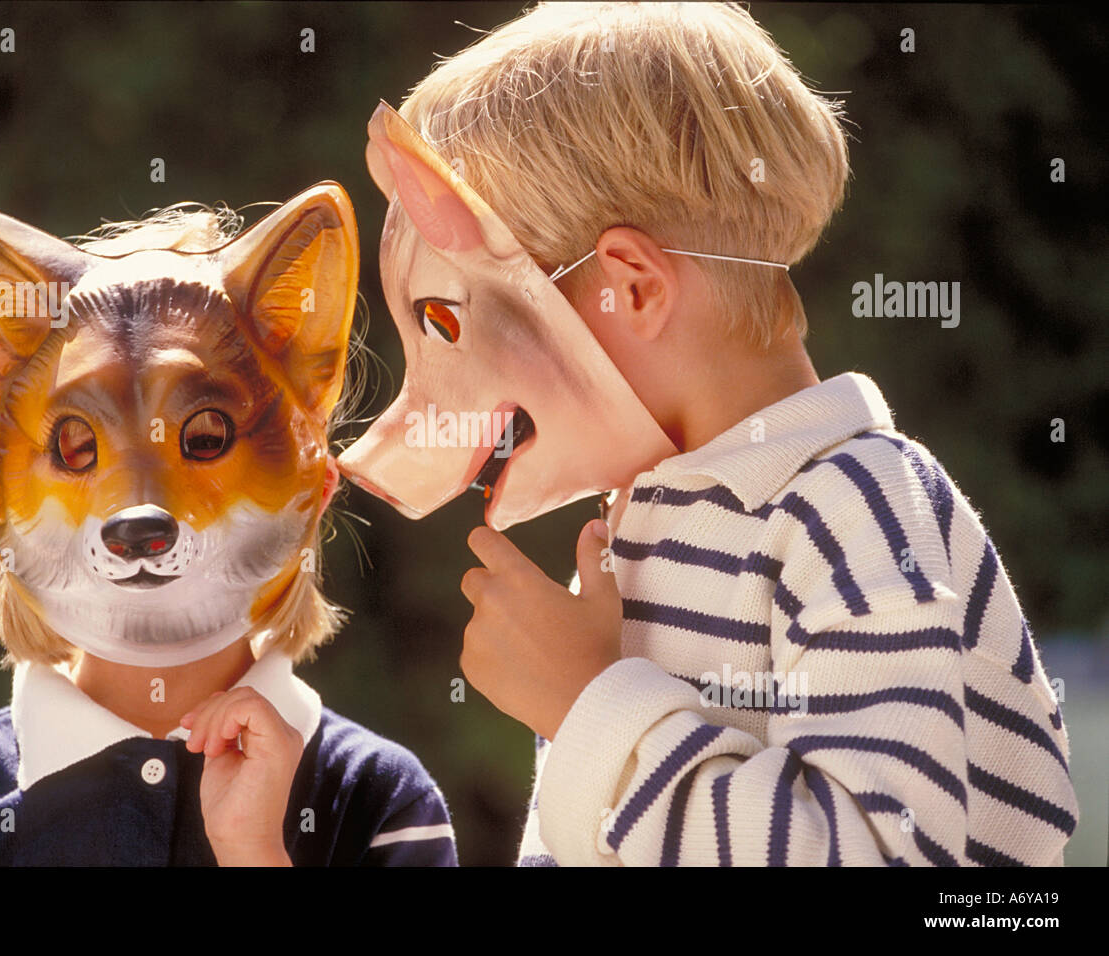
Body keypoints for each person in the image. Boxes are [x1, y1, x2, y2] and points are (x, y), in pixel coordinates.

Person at [358, 2, 1078, 865]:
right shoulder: (642, 519)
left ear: (631, 286)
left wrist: (589, 703)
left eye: (445, 319)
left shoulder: (856, 509)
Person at [0, 189, 457, 867]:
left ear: (315, 484)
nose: (138, 508)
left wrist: (255, 850)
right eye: (77, 447)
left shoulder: (375, 800)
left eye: (204, 437)